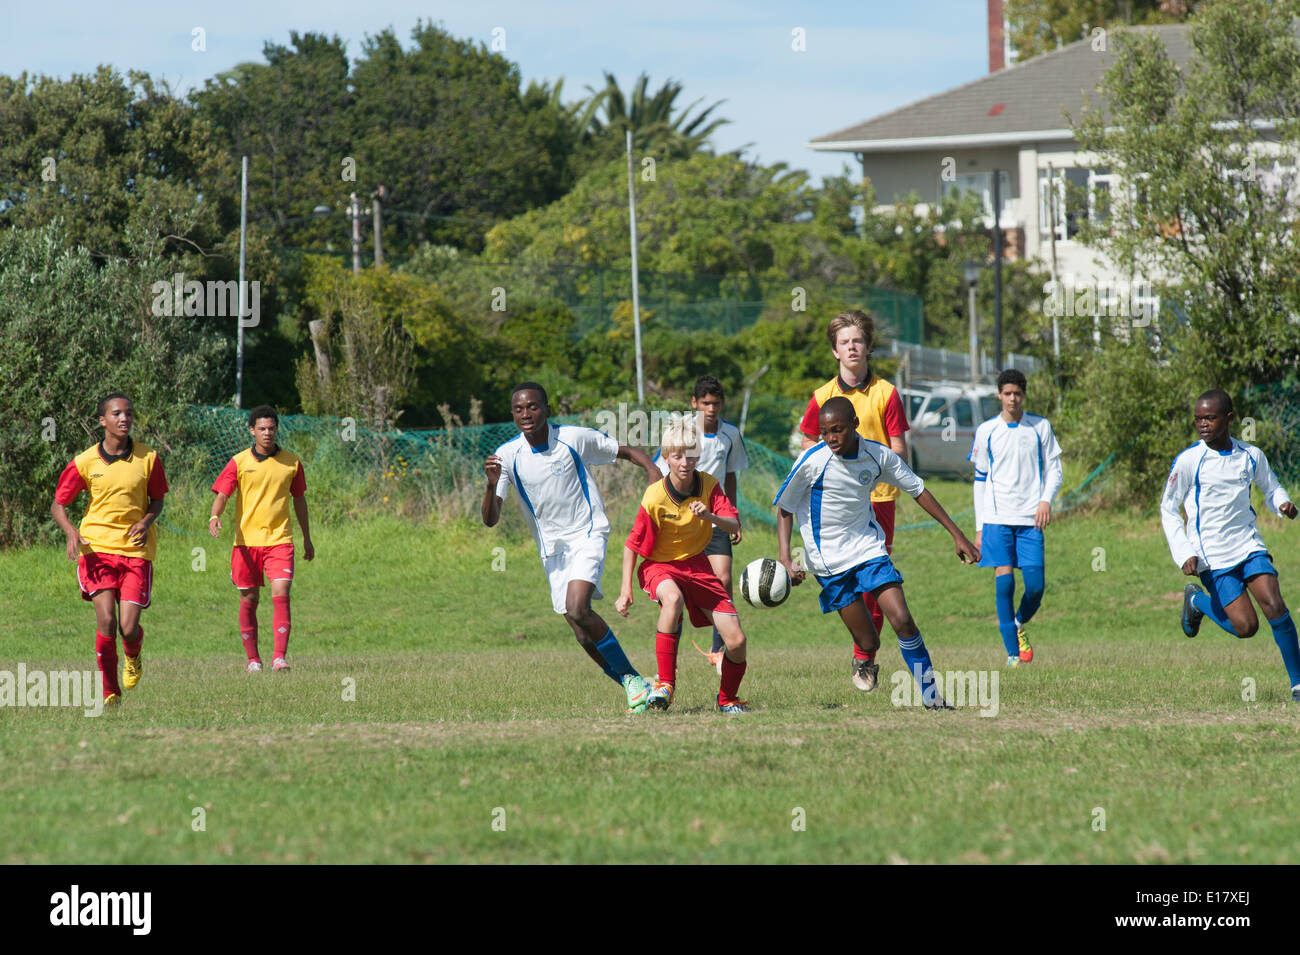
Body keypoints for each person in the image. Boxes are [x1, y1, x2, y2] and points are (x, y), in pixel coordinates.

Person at [776, 397, 978, 708]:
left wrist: (957, 534)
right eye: (825, 432)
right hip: (828, 563)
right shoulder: (811, 461)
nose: (831, 438)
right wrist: (786, 558)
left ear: (855, 424)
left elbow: (918, 490)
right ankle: (864, 660)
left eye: (838, 430)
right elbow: (786, 507)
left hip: (868, 550)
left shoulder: (878, 456)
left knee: (902, 619)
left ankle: (933, 699)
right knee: (869, 641)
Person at [483, 382, 661, 713]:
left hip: (587, 533)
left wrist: (652, 469)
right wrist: (492, 485)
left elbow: (623, 451)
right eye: (519, 409)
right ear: (512, 415)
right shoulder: (507, 456)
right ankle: (634, 688)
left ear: (547, 410)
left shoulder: (573, 438)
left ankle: (633, 678)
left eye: (533, 407)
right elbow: (491, 519)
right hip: (552, 552)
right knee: (581, 633)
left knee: (579, 608)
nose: (527, 414)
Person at [1161, 389, 1300, 701]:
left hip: (1248, 545)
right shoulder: (1188, 461)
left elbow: (1271, 485)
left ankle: (1298, 684)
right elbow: (1168, 510)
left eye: (1209, 418)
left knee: (1274, 604)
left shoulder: (1250, 455)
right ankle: (1197, 602)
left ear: (1228, 419)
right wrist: (1184, 552)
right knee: (1246, 627)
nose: (1203, 424)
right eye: (1198, 419)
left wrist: (1283, 503)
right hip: (1211, 555)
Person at [799, 309, 910, 690]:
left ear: (868, 347)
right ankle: (863, 644)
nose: (852, 347)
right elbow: (806, 447)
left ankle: (865, 658)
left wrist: (887, 473)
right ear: (834, 350)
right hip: (833, 508)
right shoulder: (821, 397)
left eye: (858, 341)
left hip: (878, 501)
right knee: (845, 587)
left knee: (875, 588)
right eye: (844, 342)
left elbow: (898, 449)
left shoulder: (887, 393)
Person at [617, 417, 750, 713]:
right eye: (676, 456)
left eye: (690, 454)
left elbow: (733, 524)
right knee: (673, 599)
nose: (684, 462)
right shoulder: (654, 497)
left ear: (698, 455)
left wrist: (710, 518)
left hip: (698, 567)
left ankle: (727, 700)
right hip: (659, 567)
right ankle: (665, 684)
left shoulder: (709, 486)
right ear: (665, 458)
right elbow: (632, 545)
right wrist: (626, 590)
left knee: (737, 640)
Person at [51, 393, 168, 704]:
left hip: (135, 551)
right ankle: (109, 691)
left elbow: (158, 499)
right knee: (106, 621)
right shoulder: (85, 461)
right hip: (97, 549)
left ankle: (133, 654)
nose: (124, 418)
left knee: (128, 628)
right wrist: (70, 530)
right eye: (116, 414)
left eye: (129, 413)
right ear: (103, 420)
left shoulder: (149, 458)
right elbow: (58, 503)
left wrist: (145, 521)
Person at [651, 375, 748, 673]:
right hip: (681, 524)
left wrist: (733, 515)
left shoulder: (730, 434)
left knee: (724, 579)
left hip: (714, 520)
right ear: (694, 403)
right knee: (676, 592)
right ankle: (671, 660)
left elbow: (730, 475)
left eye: (716, 403)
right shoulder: (682, 433)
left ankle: (718, 650)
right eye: (705, 402)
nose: (711, 408)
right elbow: (658, 470)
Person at [968, 369, 1063, 667]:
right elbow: (980, 479)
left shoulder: (1040, 427)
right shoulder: (986, 431)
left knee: (1035, 586)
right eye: (1007, 393)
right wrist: (980, 526)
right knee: (1004, 582)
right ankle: (1012, 654)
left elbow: (1055, 470)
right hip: (997, 518)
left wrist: (1046, 500)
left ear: (1024, 394)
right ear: (999, 395)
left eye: (1017, 393)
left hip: (1030, 519)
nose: (1012, 398)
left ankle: (1018, 623)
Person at [210, 406, 314, 672]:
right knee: (249, 599)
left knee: (282, 592)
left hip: (280, 540)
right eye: (262, 429)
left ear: (277, 429)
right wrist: (214, 516)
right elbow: (223, 493)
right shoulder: (239, 462)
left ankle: (279, 657)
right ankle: (253, 660)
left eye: (272, 428)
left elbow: (299, 500)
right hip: (246, 545)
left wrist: (307, 538)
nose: (267, 433)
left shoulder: (292, 462)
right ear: (252, 431)